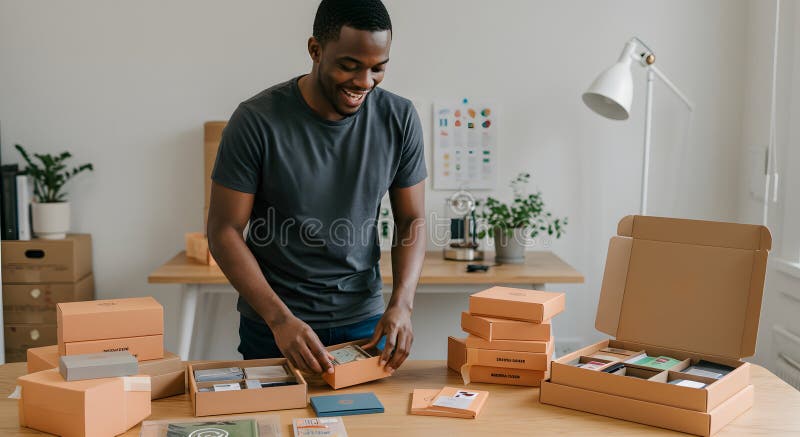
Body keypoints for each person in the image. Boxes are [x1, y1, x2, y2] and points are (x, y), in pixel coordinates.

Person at [207, 0, 426, 376]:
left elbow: (412, 219)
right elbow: (224, 230)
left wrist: (402, 304)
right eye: (349, 65)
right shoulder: (256, 121)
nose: (364, 82)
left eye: (378, 68)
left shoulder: (399, 118)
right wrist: (279, 320)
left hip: (363, 324)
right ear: (315, 50)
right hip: (275, 325)